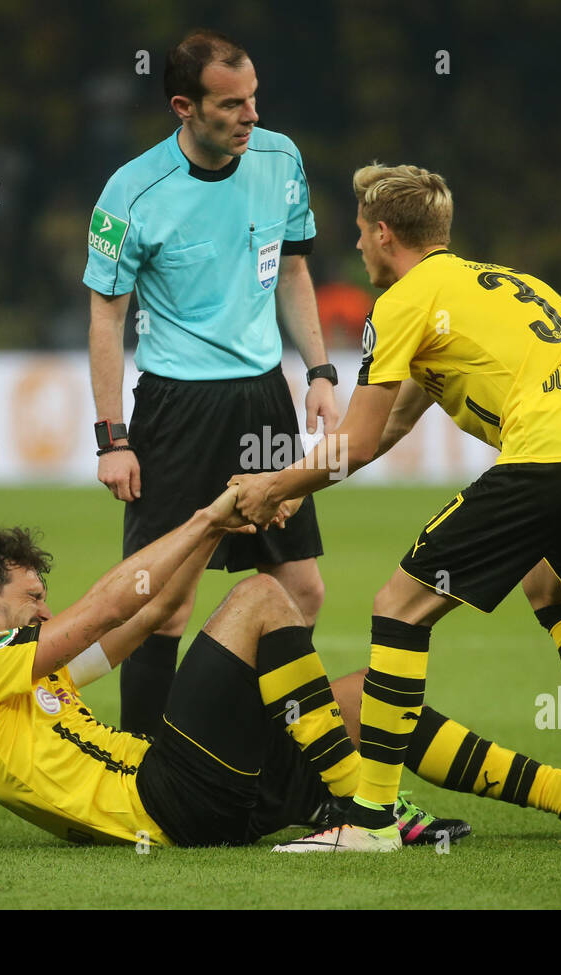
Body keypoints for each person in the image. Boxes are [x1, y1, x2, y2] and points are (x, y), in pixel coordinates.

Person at [232, 164, 561, 852]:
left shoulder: (406, 301)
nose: (355, 246)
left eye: (358, 233)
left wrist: (268, 487)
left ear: (384, 235)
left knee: (398, 604)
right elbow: (396, 424)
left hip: (551, 457)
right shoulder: (501, 284)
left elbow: (357, 437)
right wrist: (291, 487)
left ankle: (373, 820)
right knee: (548, 585)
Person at [0, 488, 561, 849]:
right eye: (31, 599)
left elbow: (144, 617)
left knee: (364, 696)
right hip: (162, 796)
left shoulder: (20, 681)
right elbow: (100, 610)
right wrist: (207, 517)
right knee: (263, 594)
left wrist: (213, 538)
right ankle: (364, 811)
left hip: (206, 801)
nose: (44, 613)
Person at [83, 30, 338, 739]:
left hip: (263, 399)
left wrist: (318, 370)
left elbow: (292, 270)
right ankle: (141, 762)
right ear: (183, 108)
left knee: (302, 588)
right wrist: (113, 438)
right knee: (164, 599)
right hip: (175, 408)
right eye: (231, 105)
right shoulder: (131, 192)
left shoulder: (282, 159)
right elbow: (107, 319)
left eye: (254, 97)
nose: (251, 115)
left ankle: (249, 743)